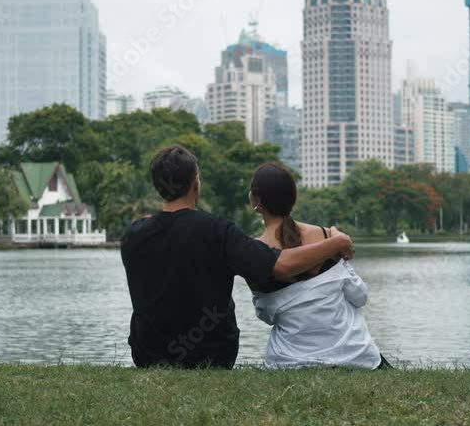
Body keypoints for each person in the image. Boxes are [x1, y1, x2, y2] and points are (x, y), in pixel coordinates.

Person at [120, 146, 355, 368]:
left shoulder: (133, 235)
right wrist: (336, 242)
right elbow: (281, 265)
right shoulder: (217, 231)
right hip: (211, 355)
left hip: (148, 355)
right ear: (196, 182)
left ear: (157, 186)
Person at [247, 162, 391, 369]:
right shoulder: (328, 237)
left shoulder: (254, 252)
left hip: (289, 362)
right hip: (354, 356)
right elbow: (359, 297)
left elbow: (266, 314)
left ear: (256, 200)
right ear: (293, 198)